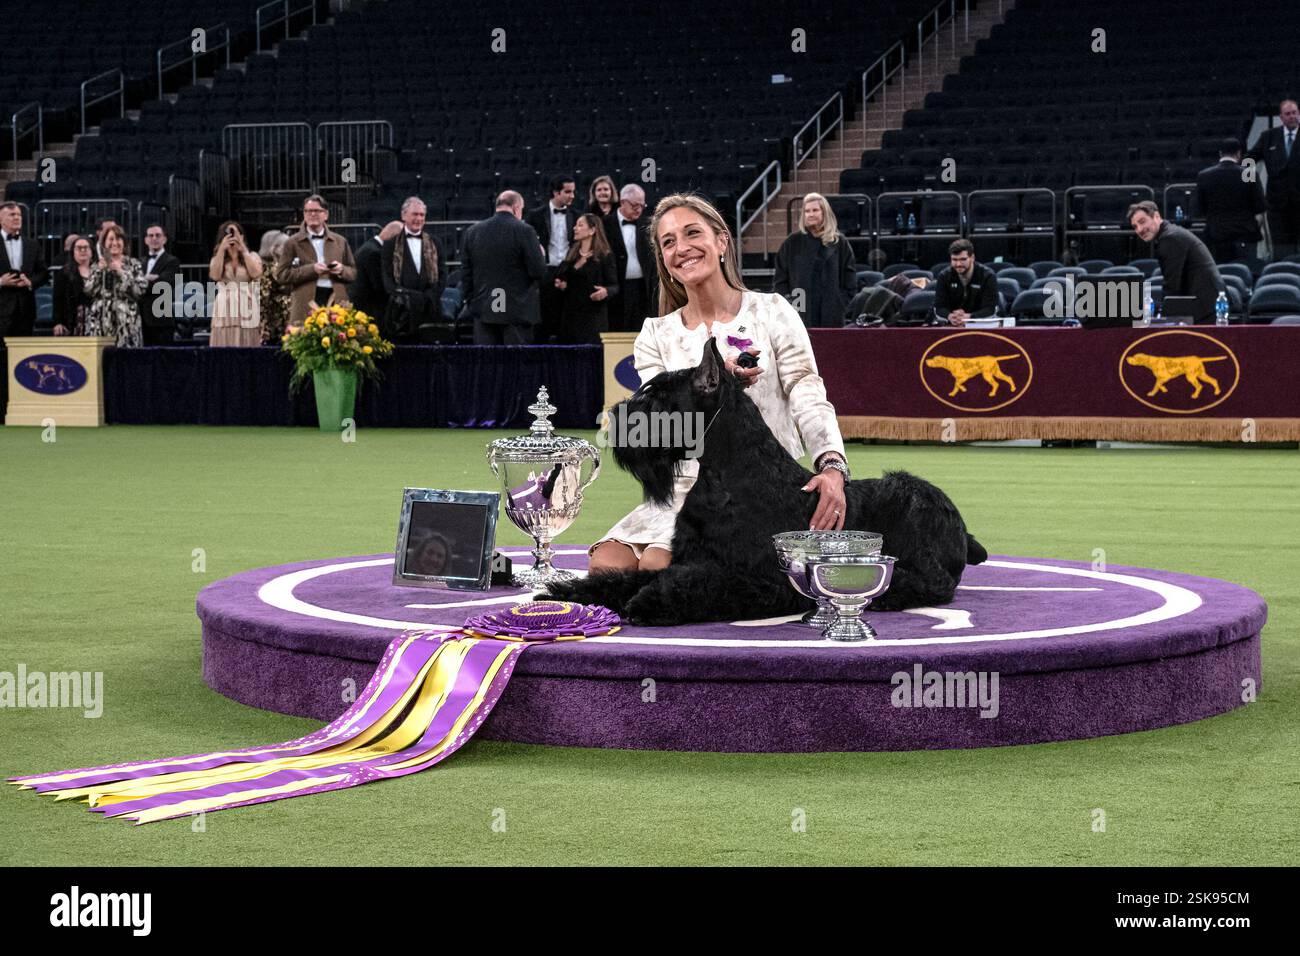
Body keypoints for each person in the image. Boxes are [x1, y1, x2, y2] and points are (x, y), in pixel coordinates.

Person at [589, 193, 849, 575]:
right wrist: (712, 393)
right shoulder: (655, 333)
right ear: (663, 259)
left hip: (760, 486)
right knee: (606, 565)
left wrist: (831, 465)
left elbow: (807, 392)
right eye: (669, 242)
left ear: (722, 241)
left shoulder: (773, 310)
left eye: (692, 233)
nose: (682, 248)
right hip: (685, 489)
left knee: (658, 566)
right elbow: (661, 429)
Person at [461, 190, 548, 344]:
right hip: (517, 313)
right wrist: (541, 255)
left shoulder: (472, 232)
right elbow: (538, 271)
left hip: (484, 311)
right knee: (515, 359)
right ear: (516, 208)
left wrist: (473, 304)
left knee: (487, 358)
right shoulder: (525, 231)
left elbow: (466, 274)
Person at [1128, 200, 1225, 324]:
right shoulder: (1171, 233)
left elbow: (1172, 285)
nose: (1140, 229)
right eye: (1135, 226)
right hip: (1206, 304)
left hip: (1206, 308)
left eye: (1142, 222)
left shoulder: (1170, 238)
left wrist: (1161, 317)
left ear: (1156, 216)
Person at [773, 192, 857, 328]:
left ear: (825, 212)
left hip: (832, 315)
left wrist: (839, 304)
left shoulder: (839, 242)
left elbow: (850, 280)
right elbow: (780, 279)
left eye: (815, 210)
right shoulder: (792, 242)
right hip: (799, 313)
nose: (810, 214)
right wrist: (789, 305)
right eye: (807, 211)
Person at [275, 194, 357, 327]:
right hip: (305, 302)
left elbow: (353, 273)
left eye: (317, 211)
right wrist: (311, 270)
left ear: (326, 215)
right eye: (308, 211)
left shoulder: (340, 241)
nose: (312, 214)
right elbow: (281, 275)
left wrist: (341, 269)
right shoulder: (292, 243)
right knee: (305, 338)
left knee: (338, 338)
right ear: (304, 215)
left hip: (336, 301)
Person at [381, 196, 445, 342]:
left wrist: (430, 296)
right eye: (415, 214)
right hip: (402, 315)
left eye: (422, 215)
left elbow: (443, 275)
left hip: (430, 311)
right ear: (403, 216)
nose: (419, 219)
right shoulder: (390, 245)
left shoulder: (435, 242)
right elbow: (388, 281)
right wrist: (411, 297)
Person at [1196, 139, 1267, 263]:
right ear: (1239, 153)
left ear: (1220, 153)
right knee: (1247, 271)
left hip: (1216, 236)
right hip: (1245, 234)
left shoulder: (1204, 175)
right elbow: (1259, 206)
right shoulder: (1248, 174)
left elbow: (1199, 208)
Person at [526, 174, 578, 343]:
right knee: (543, 319)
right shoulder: (535, 215)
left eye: (573, 191)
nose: (572, 195)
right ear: (556, 193)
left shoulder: (577, 215)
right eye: (568, 192)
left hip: (568, 272)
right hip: (544, 271)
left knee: (566, 320)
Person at [1246, 99, 1300, 259]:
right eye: (1288, 114)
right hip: (1277, 205)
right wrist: (1248, 183)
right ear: (1281, 117)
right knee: (1281, 248)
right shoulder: (1269, 137)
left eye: (1294, 113)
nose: (1292, 116)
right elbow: (1248, 159)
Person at [553, 213, 619, 344]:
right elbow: (560, 274)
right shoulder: (572, 253)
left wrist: (605, 291)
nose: (575, 228)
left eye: (580, 225)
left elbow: (614, 286)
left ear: (592, 230)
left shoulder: (604, 255)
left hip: (593, 316)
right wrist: (563, 282)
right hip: (571, 315)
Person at [603, 183, 658, 332]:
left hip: (642, 288)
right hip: (617, 287)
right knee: (618, 327)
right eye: (635, 205)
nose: (639, 209)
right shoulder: (605, 223)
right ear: (622, 202)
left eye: (642, 205)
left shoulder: (647, 224)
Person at [84, 223, 146, 347]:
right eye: (110, 239)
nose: (114, 243)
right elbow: (88, 291)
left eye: (118, 239)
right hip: (100, 319)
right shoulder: (96, 265)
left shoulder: (133, 264)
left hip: (126, 320)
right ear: (104, 243)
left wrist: (121, 272)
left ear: (124, 242)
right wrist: (98, 271)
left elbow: (139, 291)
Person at [208, 220, 264, 347]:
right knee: (223, 339)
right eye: (228, 234)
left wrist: (243, 250)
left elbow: (256, 273)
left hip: (246, 304)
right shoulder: (217, 258)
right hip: (224, 305)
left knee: (247, 340)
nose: (233, 238)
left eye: (236, 234)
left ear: (242, 236)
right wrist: (221, 250)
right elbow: (215, 276)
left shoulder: (252, 256)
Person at [0, 202, 48, 341]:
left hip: (25, 310)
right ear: (1, 219)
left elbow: (43, 273)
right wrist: (1, 281)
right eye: (12, 215)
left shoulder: (32, 244)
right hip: (1, 308)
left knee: (24, 351)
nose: (17, 218)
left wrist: (30, 282)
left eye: (19, 215)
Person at [933, 239, 998, 326]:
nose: (958, 264)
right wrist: (950, 316)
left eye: (963, 259)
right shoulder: (944, 276)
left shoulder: (987, 276)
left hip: (981, 326)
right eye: (954, 260)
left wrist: (969, 317)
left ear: (972, 258)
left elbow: (990, 309)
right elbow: (939, 307)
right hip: (951, 325)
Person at [348, 220, 403, 323]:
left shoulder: (370, 246)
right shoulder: (374, 253)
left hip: (366, 307)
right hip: (369, 310)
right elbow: (380, 286)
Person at [138, 223, 181, 345]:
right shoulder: (140, 262)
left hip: (162, 321)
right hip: (142, 320)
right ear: (146, 240)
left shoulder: (173, 261)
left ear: (164, 239)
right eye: (151, 236)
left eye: (158, 235)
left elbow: (164, 285)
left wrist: (142, 281)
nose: (154, 238)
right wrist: (151, 279)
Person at [52, 235, 94, 336]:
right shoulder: (64, 273)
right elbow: (58, 300)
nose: (82, 250)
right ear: (73, 252)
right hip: (72, 321)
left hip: (95, 320)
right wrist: (58, 322)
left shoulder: (99, 271)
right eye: (79, 248)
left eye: (86, 247)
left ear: (91, 252)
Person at [257, 229, 293, 343]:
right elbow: (263, 297)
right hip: (274, 319)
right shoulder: (266, 268)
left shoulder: (285, 265)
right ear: (275, 248)